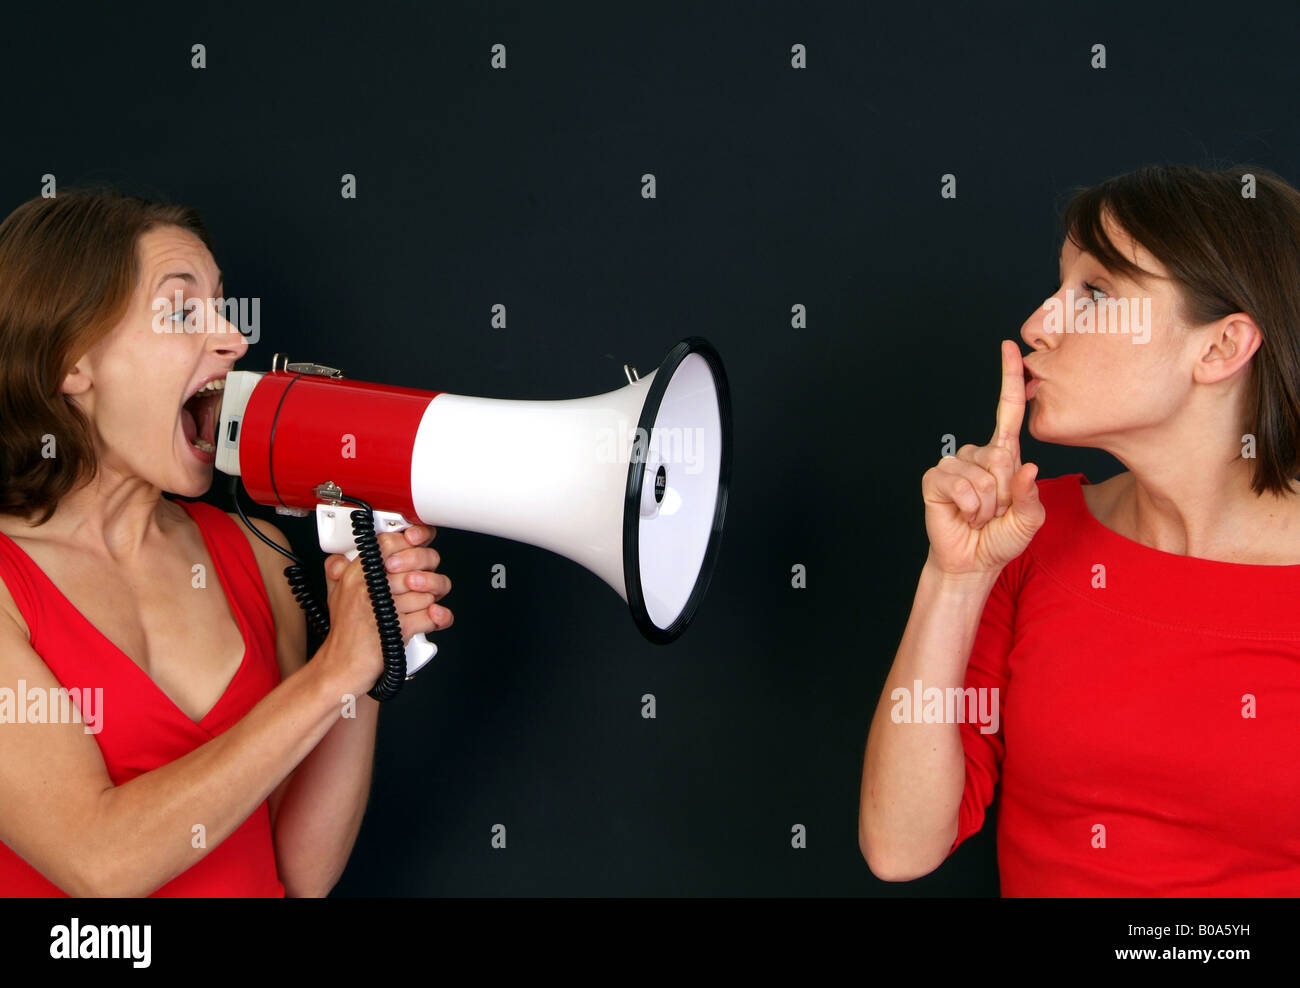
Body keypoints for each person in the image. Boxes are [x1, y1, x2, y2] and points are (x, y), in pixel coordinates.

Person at [859, 163, 1300, 895]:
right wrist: (955, 579)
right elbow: (900, 845)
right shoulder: (1033, 535)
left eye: (1094, 294)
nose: (1037, 326)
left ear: (1221, 348)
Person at [0, 188, 453, 896]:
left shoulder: (257, 553)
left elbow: (298, 871)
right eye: (182, 311)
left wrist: (369, 656)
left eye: (222, 305)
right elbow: (100, 862)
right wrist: (331, 674)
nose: (234, 340)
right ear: (72, 360)